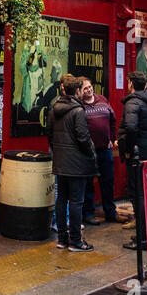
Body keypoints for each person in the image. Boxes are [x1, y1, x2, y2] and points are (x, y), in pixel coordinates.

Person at [48, 74, 96, 251]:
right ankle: (76, 241)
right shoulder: (78, 111)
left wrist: (59, 152)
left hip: (61, 162)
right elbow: (83, 137)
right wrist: (90, 153)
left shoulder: (54, 109)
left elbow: (50, 136)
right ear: (77, 91)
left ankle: (62, 239)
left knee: (62, 200)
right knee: (76, 202)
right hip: (76, 164)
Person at [118, 71, 147, 251]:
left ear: (130, 84)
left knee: (138, 195)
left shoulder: (132, 102)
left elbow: (130, 127)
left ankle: (142, 238)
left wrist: (128, 150)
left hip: (137, 154)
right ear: (145, 85)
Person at [80, 77, 127, 224]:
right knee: (88, 184)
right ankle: (88, 214)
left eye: (89, 86)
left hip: (105, 150)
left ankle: (110, 213)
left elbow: (113, 119)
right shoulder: (79, 105)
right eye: (85, 88)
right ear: (80, 91)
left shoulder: (102, 99)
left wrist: (112, 139)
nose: (89, 90)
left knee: (107, 182)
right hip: (88, 152)